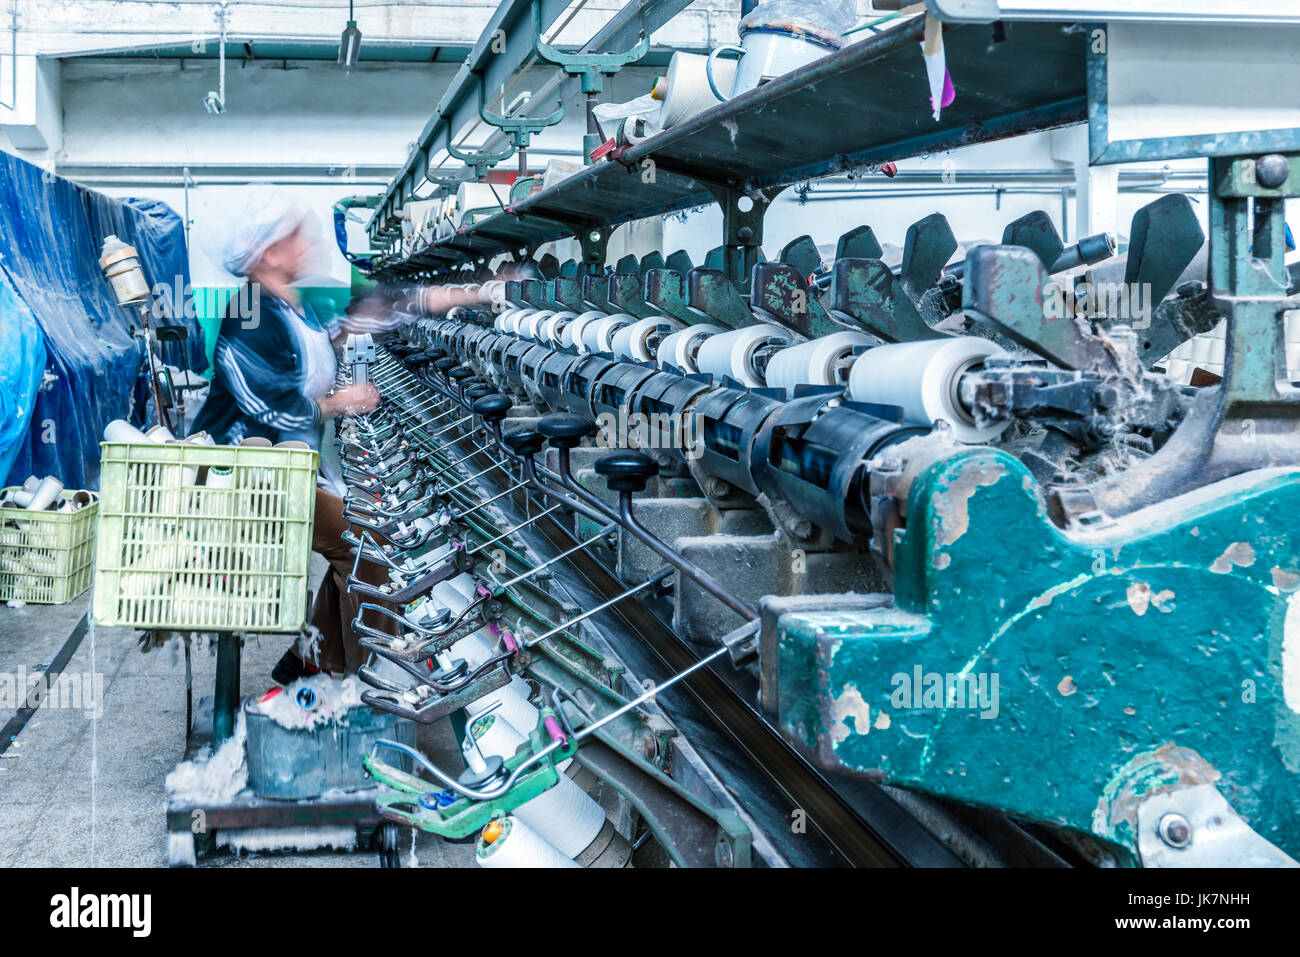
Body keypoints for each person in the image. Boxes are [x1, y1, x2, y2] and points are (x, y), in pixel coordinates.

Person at [192, 185, 394, 681]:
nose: (308, 246)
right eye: (297, 237)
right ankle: (373, 682)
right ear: (270, 250)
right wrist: (342, 401)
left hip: (284, 468)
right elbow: (272, 411)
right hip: (241, 476)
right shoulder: (251, 314)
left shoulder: (288, 304)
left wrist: (350, 327)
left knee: (356, 540)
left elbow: (308, 357)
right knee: (365, 541)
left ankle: (318, 663)